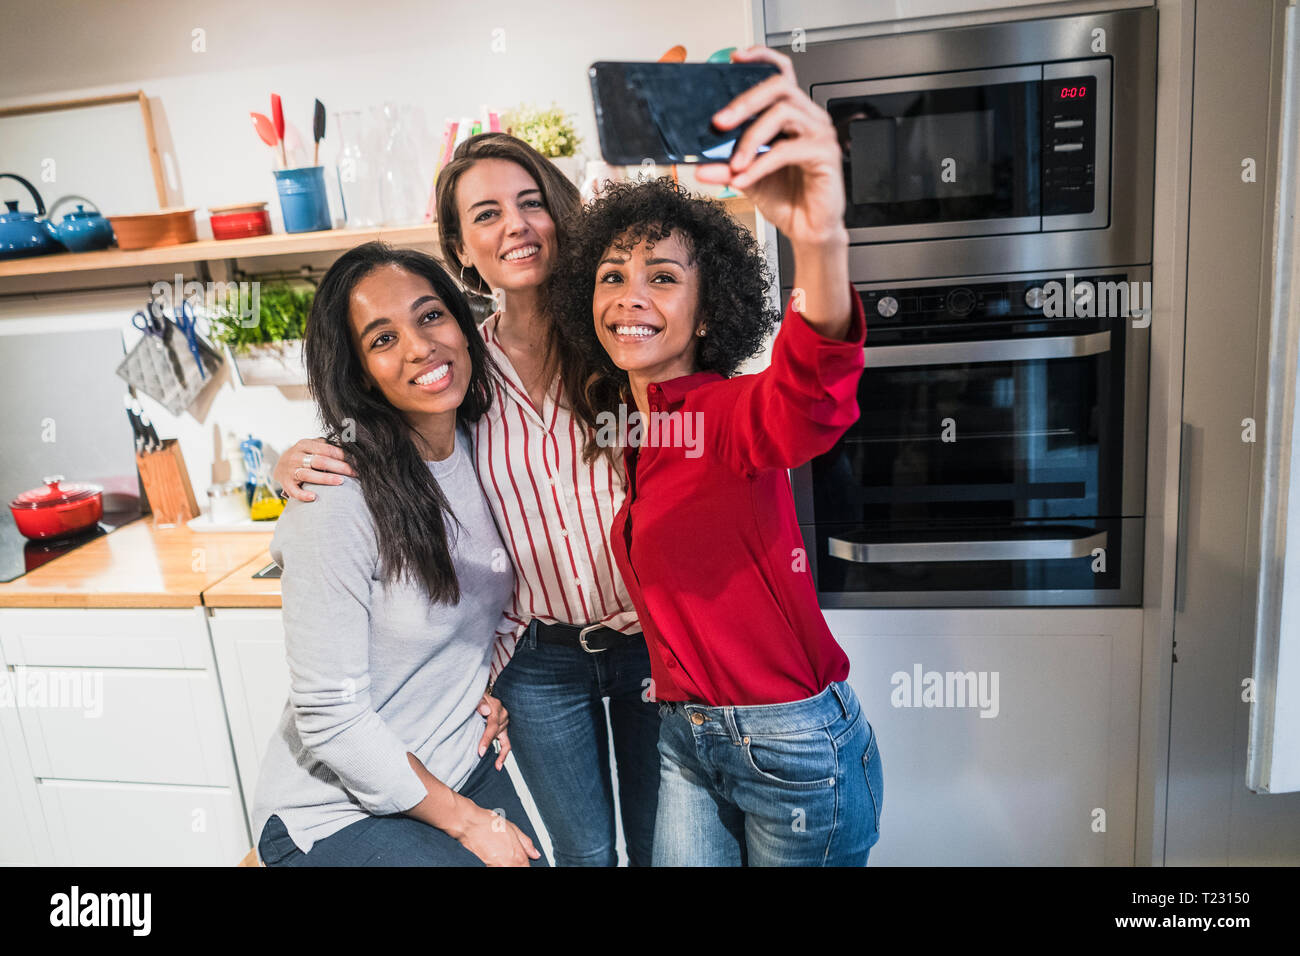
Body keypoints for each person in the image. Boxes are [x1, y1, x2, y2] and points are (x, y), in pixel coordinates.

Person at [271, 134, 660, 867]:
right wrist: (286, 464)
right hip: (540, 659)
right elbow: (382, 441)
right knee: (585, 854)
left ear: (559, 215)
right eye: (486, 214)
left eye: (531, 203)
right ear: (462, 249)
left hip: (652, 643)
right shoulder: (464, 374)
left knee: (664, 845)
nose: (515, 226)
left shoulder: (624, 345)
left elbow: (713, 431)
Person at [549, 45, 883, 866]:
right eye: (612, 274)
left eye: (663, 277)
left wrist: (821, 238)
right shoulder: (636, 428)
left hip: (793, 749)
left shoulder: (730, 414)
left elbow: (809, 395)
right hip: (685, 737)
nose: (629, 294)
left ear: (707, 314)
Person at [252, 242, 545, 866]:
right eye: (383, 339)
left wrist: (487, 686)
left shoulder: (485, 447)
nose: (419, 347)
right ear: (359, 373)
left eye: (431, 316)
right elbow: (330, 717)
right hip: (333, 808)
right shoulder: (334, 495)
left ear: (464, 328)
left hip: (456, 761)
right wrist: (471, 825)